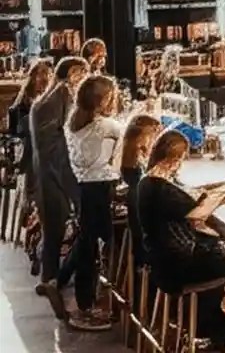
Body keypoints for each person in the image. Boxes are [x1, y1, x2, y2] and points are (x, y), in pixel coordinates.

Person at [138, 130, 225, 346]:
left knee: (224, 253)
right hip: (177, 266)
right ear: (173, 159)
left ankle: (217, 332)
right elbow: (197, 214)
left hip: (160, 262)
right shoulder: (163, 190)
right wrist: (221, 196)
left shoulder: (146, 182)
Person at [30, 56, 89, 320]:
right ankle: (59, 281)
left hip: (43, 169)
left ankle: (49, 278)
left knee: (52, 226)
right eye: (83, 74)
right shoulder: (64, 92)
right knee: (78, 224)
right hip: (57, 167)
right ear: (74, 73)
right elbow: (71, 131)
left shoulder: (44, 99)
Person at [64, 75, 123, 331]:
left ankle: (76, 293)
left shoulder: (73, 121)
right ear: (104, 100)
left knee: (87, 241)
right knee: (95, 244)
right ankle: (86, 307)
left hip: (82, 188)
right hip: (100, 189)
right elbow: (121, 155)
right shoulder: (107, 126)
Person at [119, 114, 163, 264]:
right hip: (146, 249)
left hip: (140, 240)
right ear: (141, 138)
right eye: (153, 135)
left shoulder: (129, 162)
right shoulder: (136, 176)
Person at [9, 58, 53, 191]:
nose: (46, 78)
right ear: (34, 77)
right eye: (43, 73)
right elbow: (18, 130)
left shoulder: (52, 99)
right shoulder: (22, 103)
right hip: (29, 149)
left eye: (49, 74)